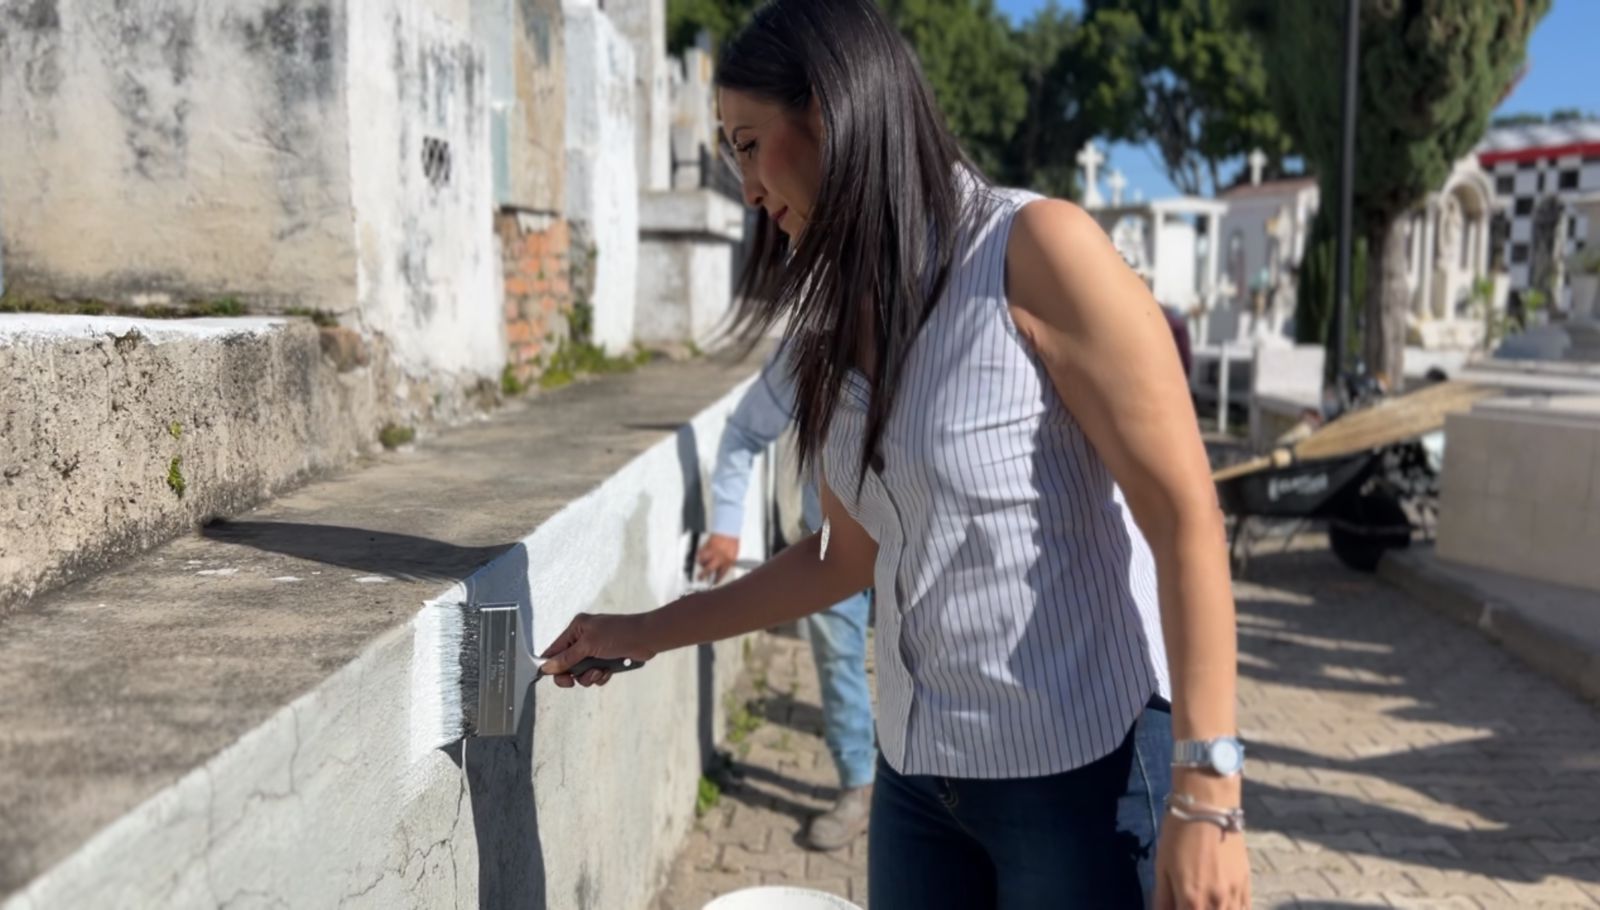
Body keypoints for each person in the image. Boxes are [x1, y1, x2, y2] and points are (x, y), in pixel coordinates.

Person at [539, 2, 1250, 906]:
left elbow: (1184, 513)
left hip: (1080, 775)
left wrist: (1209, 793)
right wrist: (642, 631)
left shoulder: (1036, 252)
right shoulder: (834, 322)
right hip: (918, 782)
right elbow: (844, 559)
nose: (747, 186)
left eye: (749, 143)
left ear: (831, 112)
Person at [697, 347, 876, 851]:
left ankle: (929, 781)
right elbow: (746, 431)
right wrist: (727, 526)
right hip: (830, 543)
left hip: (923, 545)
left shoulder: (943, 321)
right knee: (840, 661)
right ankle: (858, 785)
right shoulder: (816, 341)